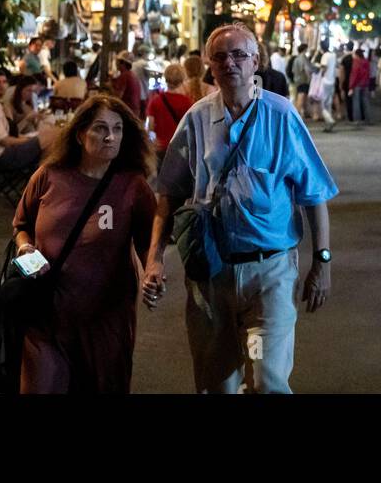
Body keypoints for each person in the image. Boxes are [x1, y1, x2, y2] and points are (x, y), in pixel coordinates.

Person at [143, 23, 338, 393]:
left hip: (270, 271)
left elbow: (314, 194)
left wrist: (322, 261)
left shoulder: (281, 116)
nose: (229, 63)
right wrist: (154, 259)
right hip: (209, 272)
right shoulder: (197, 119)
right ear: (209, 66)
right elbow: (167, 195)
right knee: (216, 383)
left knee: (266, 382)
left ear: (256, 62)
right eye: (219, 56)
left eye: (238, 55)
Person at [13, 95, 156, 393]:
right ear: (80, 134)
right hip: (45, 311)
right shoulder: (49, 176)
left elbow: (148, 244)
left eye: (117, 129)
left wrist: (153, 271)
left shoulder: (133, 186)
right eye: (100, 128)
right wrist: (25, 249)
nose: (110, 136)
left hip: (105, 317)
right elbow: (21, 225)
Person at [148, 63, 193, 155]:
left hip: (161, 147)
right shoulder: (187, 102)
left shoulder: (155, 101)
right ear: (182, 80)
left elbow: (150, 126)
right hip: (180, 148)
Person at [111, 52, 144, 117]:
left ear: (122, 63)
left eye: (117, 61)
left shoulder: (124, 76)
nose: (116, 64)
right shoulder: (132, 75)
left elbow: (117, 97)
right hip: (134, 112)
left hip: (127, 112)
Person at [348, 47, 372, 125]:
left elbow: (354, 75)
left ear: (356, 55)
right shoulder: (366, 62)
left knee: (356, 102)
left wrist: (351, 87)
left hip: (357, 85)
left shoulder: (356, 62)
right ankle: (368, 119)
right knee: (366, 102)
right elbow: (368, 73)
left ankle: (357, 119)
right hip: (365, 84)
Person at [287, 44, 312, 118]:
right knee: (301, 96)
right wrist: (309, 78)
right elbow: (305, 69)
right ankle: (297, 114)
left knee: (302, 96)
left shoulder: (296, 58)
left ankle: (303, 113)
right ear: (304, 49)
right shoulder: (303, 58)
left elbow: (293, 70)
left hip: (297, 79)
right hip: (302, 80)